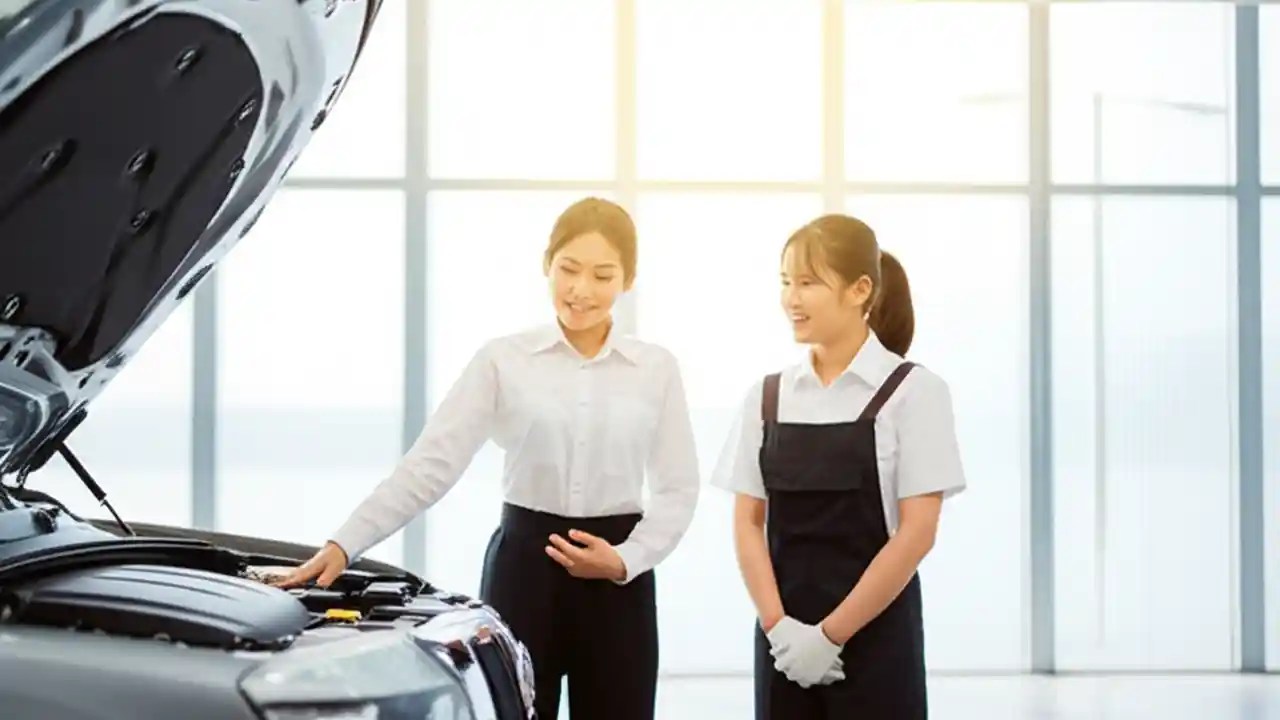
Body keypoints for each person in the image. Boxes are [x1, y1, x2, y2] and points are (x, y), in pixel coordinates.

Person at [276, 197, 700, 720]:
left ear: (628, 280)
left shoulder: (655, 369)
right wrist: (345, 545)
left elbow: (678, 488)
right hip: (525, 571)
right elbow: (431, 465)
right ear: (547, 265)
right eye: (568, 269)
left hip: (619, 582)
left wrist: (626, 559)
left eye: (602, 274)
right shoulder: (503, 360)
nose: (581, 289)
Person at [710, 214, 965, 719]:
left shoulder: (914, 393)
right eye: (785, 282)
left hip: (876, 642)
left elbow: (917, 533)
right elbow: (747, 522)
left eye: (808, 283)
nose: (792, 299)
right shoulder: (767, 397)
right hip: (782, 644)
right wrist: (780, 629)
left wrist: (829, 636)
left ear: (860, 289)